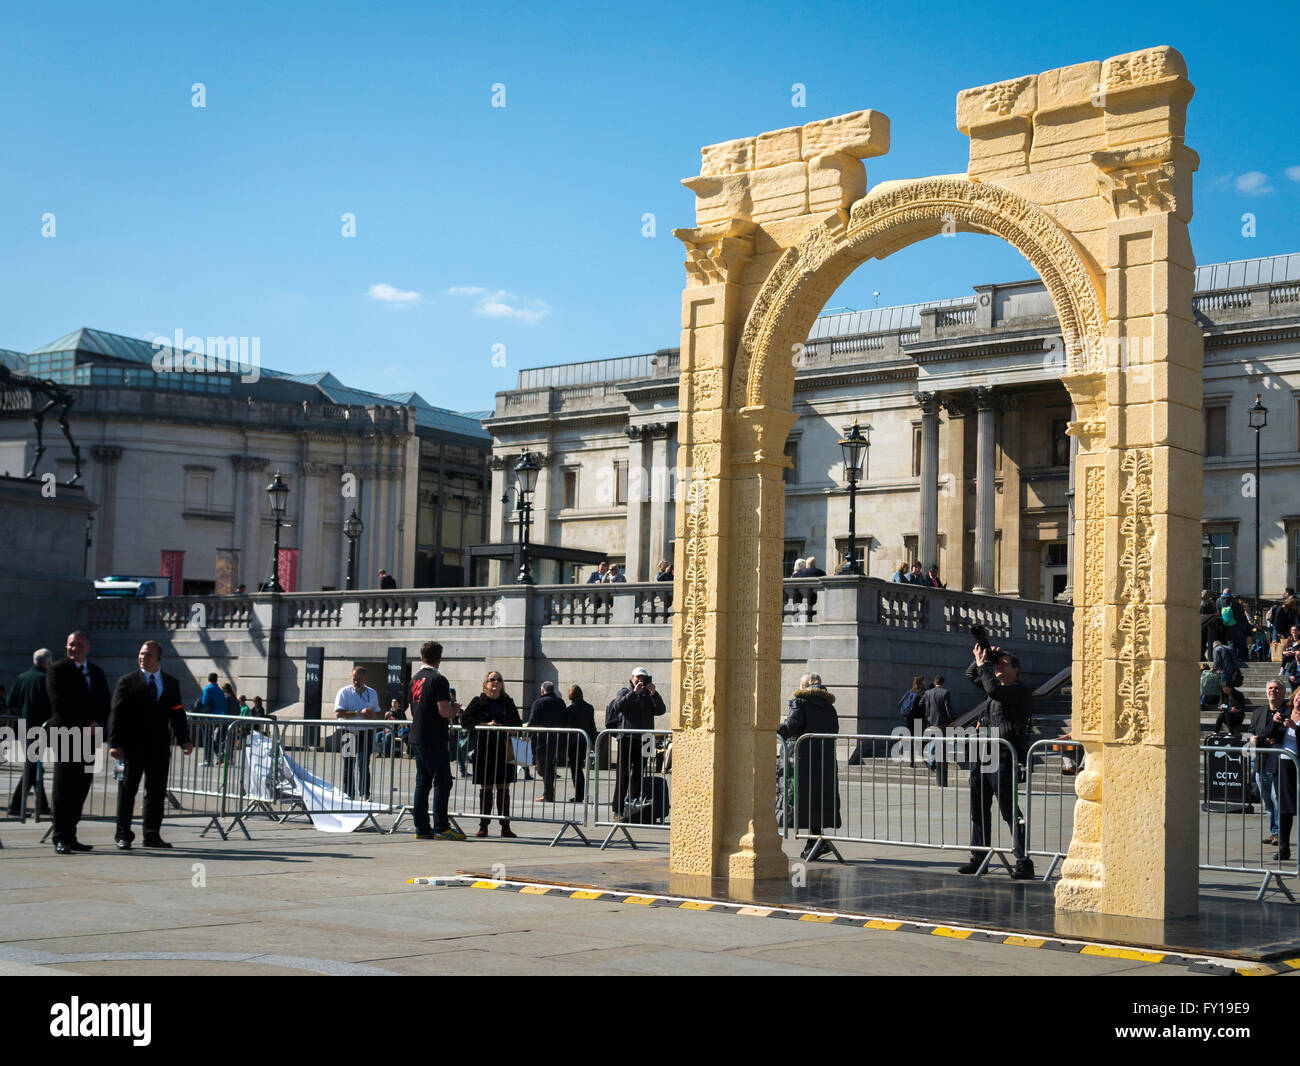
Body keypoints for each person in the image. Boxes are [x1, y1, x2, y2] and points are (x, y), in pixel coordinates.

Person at [959, 643, 1034, 880]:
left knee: (1009, 812)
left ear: (1016, 670)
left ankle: (1024, 860)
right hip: (983, 756)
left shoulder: (1019, 691)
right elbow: (972, 675)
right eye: (997, 663)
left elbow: (993, 691)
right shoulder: (996, 687)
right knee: (978, 810)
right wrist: (981, 659)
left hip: (1004, 758)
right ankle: (978, 856)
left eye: (1004, 663)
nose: (999, 665)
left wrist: (985, 667)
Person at [108, 640, 193, 849]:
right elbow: (117, 714)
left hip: (159, 748)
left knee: (156, 793)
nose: (143, 658)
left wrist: (184, 740)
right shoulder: (127, 682)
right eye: (141, 654)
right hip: (132, 748)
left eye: (148, 655)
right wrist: (115, 743)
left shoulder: (170, 683)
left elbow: (177, 714)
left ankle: (152, 834)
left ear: (159, 659)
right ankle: (123, 835)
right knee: (127, 792)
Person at [46, 631, 111, 854]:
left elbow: (104, 702)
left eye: (79, 645)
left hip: (90, 739)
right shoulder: (57, 670)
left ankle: (71, 834)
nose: (74, 649)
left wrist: (98, 723)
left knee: (81, 786)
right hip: (67, 735)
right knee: (64, 787)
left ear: (88, 647)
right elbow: (60, 703)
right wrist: (87, 723)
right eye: (71, 645)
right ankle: (60, 836)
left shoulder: (96, 672)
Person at [777, 673, 840, 860]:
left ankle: (815, 841)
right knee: (817, 799)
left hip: (801, 760)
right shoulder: (829, 707)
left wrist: (771, 727)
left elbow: (791, 727)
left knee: (799, 799)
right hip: (823, 760)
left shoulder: (800, 702)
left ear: (804, 685)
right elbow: (834, 729)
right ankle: (815, 841)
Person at [407, 641, 463, 840]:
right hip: (433, 736)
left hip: (417, 734)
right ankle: (441, 826)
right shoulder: (438, 679)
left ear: (422, 657)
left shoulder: (415, 679)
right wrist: (454, 709)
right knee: (443, 781)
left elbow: (413, 708)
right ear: (440, 658)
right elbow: (443, 710)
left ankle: (421, 827)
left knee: (422, 782)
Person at [461, 670, 521, 837]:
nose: (495, 682)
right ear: (486, 683)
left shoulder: (508, 702)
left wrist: (507, 728)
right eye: (491, 679)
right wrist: (484, 724)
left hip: (504, 747)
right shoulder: (479, 701)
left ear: (502, 683)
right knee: (486, 787)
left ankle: (505, 825)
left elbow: (517, 723)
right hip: (485, 748)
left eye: (498, 679)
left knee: (504, 787)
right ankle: (484, 825)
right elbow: (465, 720)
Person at [605, 667, 667, 816]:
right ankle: (618, 809)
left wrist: (654, 693)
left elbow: (661, 710)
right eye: (637, 677)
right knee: (623, 775)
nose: (640, 680)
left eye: (643, 678)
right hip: (627, 738)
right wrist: (634, 693)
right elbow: (618, 706)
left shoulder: (648, 695)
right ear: (632, 678)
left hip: (645, 738)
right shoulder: (625, 691)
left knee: (639, 773)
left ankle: (632, 806)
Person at [7, 648, 53, 816]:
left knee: (34, 766)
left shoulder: (22, 678)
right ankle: (16, 805)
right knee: (33, 766)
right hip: (41, 728)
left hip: (23, 727)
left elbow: (10, 701)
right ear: (48, 662)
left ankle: (41, 805)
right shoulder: (46, 679)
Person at [1260, 689, 1300, 861]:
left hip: (1297, 765)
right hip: (1281, 765)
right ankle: (1284, 848)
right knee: (1284, 808)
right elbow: (1266, 735)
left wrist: (1295, 728)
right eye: (1298, 696)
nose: (1299, 700)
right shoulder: (1283, 711)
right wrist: (1275, 722)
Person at [334, 666, 380, 800]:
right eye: (354, 679)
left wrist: (372, 714)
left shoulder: (372, 693)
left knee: (363, 764)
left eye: (359, 679)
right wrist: (359, 713)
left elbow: (377, 713)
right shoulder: (344, 692)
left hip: (365, 732)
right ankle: (348, 794)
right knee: (348, 764)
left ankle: (365, 794)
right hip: (347, 732)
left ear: (364, 678)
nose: (356, 682)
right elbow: (339, 713)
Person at [1252, 679, 1288, 846]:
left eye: (1277, 688)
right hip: (1261, 762)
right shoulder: (1258, 712)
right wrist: (1252, 738)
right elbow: (1251, 733)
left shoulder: (1288, 711)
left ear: (1283, 692)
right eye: (1270, 688)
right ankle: (1274, 831)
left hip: (1278, 763)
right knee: (1267, 800)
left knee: (1276, 798)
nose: (1273, 691)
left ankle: (1281, 833)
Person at [526, 681, 568, 803]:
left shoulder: (538, 702)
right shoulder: (560, 702)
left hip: (542, 741)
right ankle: (548, 792)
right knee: (547, 767)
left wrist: (526, 733)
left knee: (542, 768)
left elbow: (532, 720)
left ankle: (548, 794)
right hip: (557, 740)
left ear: (542, 691)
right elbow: (565, 719)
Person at [565, 685, 598, 803]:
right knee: (579, 767)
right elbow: (592, 726)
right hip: (585, 741)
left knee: (575, 768)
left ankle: (579, 794)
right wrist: (594, 741)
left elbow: (566, 725)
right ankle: (581, 794)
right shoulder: (589, 707)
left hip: (573, 742)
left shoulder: (570, 709)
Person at [921, 673, 954, 786]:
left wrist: (928, 718)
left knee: (933, 741)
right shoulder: (945, 692)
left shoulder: (928, 692)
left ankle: (931, 761)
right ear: (943, 683)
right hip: (942, 723)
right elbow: (947, 708)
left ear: (934, 683)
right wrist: (952, 720)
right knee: (940, 742)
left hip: (931, 722)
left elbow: (924, 706)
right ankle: (934, 762)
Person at [199, 672, 227, 765]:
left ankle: (208, 760)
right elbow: (224, 704)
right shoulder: (220, 690)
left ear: (208, 679)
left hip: (208, 717)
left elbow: (204, 703)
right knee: (210, 738)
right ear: (216, 679)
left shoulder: (207, 689)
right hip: (218, 718)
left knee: (207, 738)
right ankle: (219, 753)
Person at [1199, 589, 1218, 660]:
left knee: (1202, 643)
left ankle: (1202, 656)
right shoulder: (1207, 603)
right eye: (1209, 595)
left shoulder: (1198, 602)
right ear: (1205, 595)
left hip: (1201, 625)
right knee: (1205, 642)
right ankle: (1205, 657)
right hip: (1207, 625)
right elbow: (1212, 613)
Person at [1282, 625, 1300, 693]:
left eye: (1296, 630)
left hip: (1297, 661)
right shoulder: (1289, 639)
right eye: (1292, 630)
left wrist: (1294, 653)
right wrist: (1287, 652)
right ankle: (1282, 667)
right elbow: (1283, 651)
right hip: (1291, 662)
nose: (1294, 632)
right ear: (1290, 631)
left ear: (1299, 632)